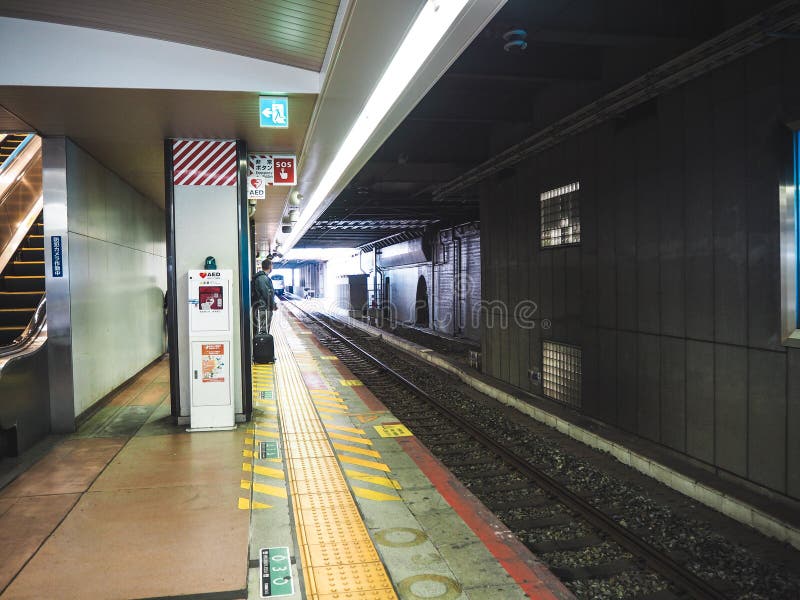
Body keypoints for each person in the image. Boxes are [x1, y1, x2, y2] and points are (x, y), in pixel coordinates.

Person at [252, 258, 277, 332]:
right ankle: (262, 343)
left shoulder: (263, 277)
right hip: (264, 308)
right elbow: (267, 294)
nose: (272, 268)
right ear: (270, 266)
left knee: (264, 329)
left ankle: (263, 342)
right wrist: (273, 305)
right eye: (272, 266)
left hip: (264, 307)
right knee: (264, 330)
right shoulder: (263, 278)